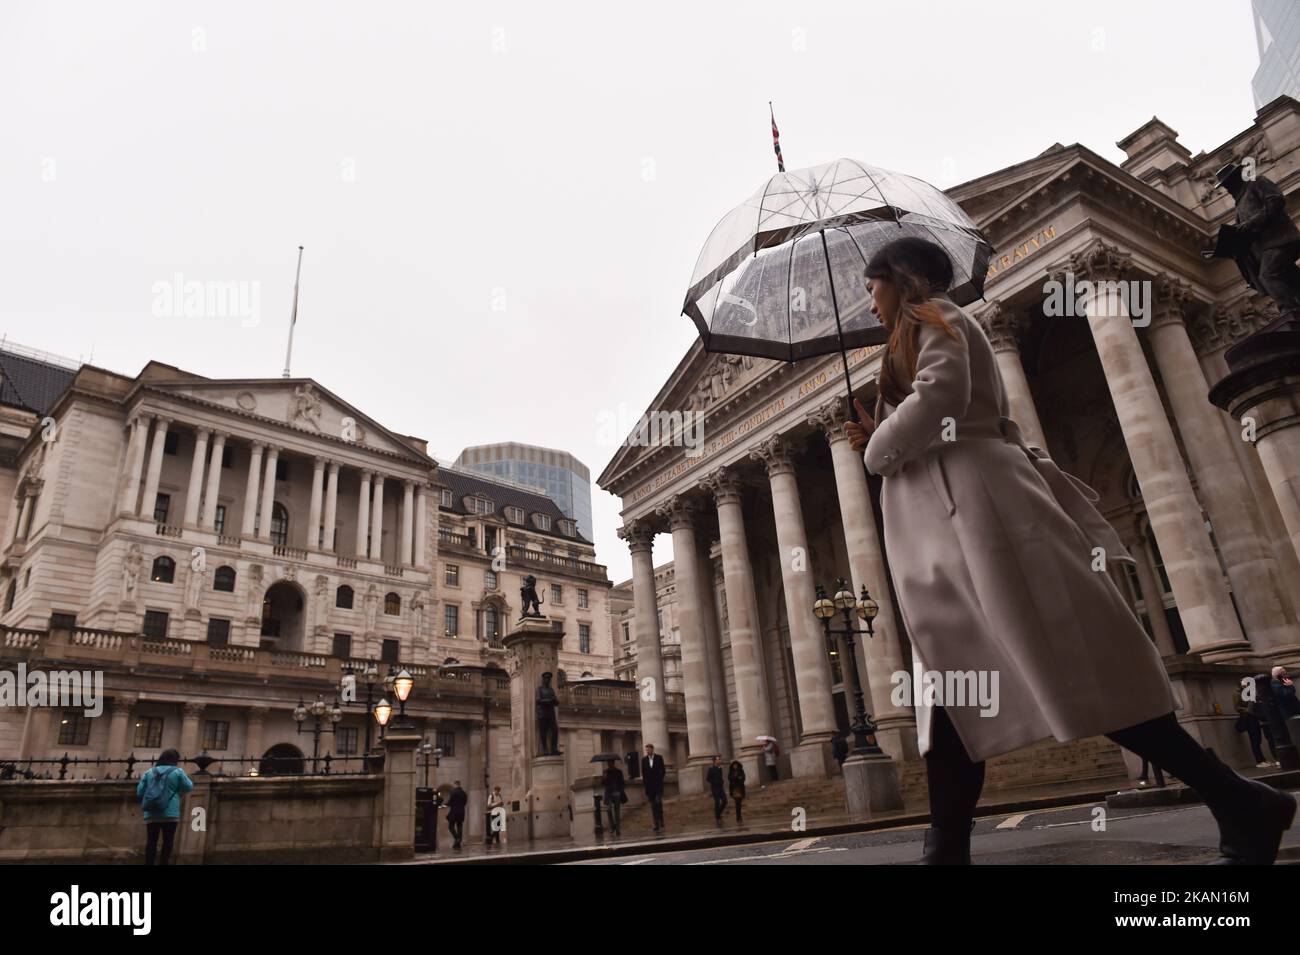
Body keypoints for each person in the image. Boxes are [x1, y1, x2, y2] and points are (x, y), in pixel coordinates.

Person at [844, 235, 1297, 865]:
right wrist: (885, 431)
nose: (869, 304)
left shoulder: (937, 316)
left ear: (900, 278)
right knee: (951, 691)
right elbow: (937, 408)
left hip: (980, 516)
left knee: (1069, 672)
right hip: (954, 524)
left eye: (872, 287)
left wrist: (876, 446)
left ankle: (1240, 799)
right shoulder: (925, 330)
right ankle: (945, 851)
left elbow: (943, 399)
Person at [136, 748, 193, 865]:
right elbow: (188, 787)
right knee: (168, 842)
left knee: (151, 841)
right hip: (170, 813)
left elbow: (140, 791)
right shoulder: (178, 772)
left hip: (152, 812)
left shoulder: (149, 772)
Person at [1235, 677, 1279, 768]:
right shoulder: (1237, 694)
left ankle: (1263, 759)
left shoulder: (1252, 693)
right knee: (1255, 740)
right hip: (1248, 718)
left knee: (1259, 739)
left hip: (1256, 717)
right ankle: (1259, 760)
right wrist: (1248, 710)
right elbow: (1237, 707)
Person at [641, 743, 666, 832]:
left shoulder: (659, 758)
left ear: (652, 749)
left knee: (658, 802)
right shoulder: (644, 760)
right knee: (653, 805)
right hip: (649, 786)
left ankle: (661, 819)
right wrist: (645, 785)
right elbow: (643, 773)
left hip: (658, 785)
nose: (647, 751)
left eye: (648, 749)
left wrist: (660, 779)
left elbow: (663, 770)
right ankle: (656, 823)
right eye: (646, 750)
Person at [603, 760, 626, 834]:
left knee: (617, 811)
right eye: (608, 763)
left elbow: (622, 782)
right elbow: (603, 783)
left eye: (610, 763)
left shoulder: (618, 771)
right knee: (608, 809)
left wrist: (620, 791)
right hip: (609, 793)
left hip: (616, 792)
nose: (609, 765)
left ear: (613, 763)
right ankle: (612, 826)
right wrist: (604, 777)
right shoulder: (606, 772)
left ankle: (618, 828)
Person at [706, 755, 727, 826]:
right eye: (718, 760)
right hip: (715, 788)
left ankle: (718, 813)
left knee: (725, 801)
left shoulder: (720, 768)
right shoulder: (711, 769)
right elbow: (708, 779)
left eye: (720, 760)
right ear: (714, 761)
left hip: (721, 788)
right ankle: (718, 818)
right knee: (717, 803)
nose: (720, 761)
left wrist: (721, 781)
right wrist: (715, 782)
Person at [446, 780, 467, 849]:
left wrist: (445, 804)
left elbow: (450, 802)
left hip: (454, 812)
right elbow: (465, 802)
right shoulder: (464, 793)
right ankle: (458, 843)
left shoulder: (453, 792)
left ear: (455, 784)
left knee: (451, 826)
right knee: (459, 827)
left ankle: (457, 838)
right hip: (461, 812)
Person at [728, 760, 746, 824]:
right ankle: (738, 817)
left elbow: (743, 778)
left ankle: (739, 817)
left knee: (739, 804)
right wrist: (737, 778)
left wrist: (737, 778)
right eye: (734, 765)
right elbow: (730, 778)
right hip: (734, 789)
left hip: (740, 789)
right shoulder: (731, 772)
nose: (735, 766)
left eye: (736, 765)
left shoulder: (741, 771)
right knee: (737, 804)